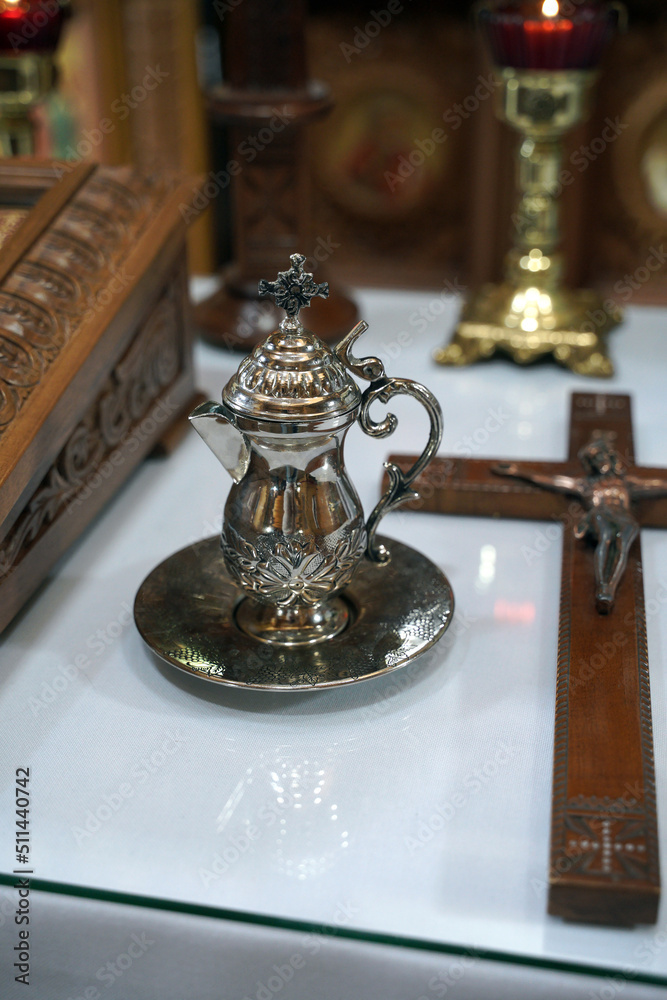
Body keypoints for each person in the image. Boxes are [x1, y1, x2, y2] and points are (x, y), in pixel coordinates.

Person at [494, 432, 667, 613]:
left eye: (601, 456)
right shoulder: (586, 484)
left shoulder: (626, 483)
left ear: (610, 457)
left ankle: (610, 587)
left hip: (624, 517)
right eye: (594, 460)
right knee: (607, 537)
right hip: (600, 514)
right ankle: (603, 587)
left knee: (621, 543)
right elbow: (554, 481)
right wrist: (518, 472)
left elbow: (657, 485)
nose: (599, 461)